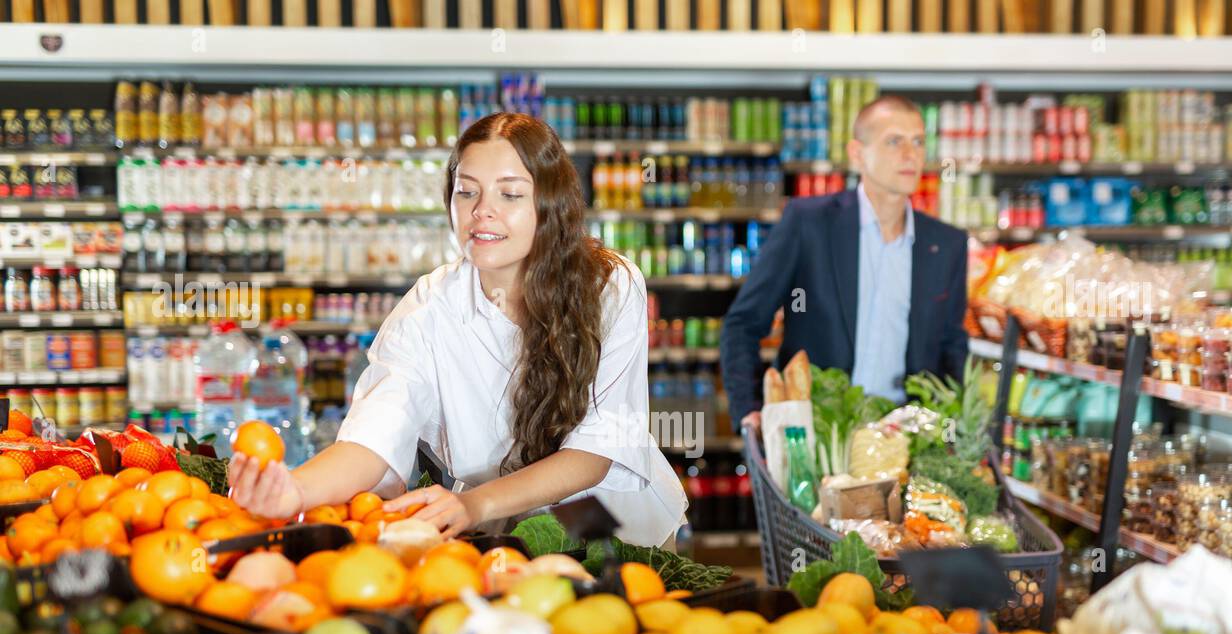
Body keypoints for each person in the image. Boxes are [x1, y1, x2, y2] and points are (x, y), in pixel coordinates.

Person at [226, 112, 687, 549]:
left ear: (549, 205)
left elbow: (595, 451)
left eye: (509, 194)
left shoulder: (609, 285)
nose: (482, 211)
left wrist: (474, 503)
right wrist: (295, 491)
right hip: (506, 533)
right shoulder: (431, 307)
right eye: (467, 192)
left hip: (618, 526)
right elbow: (376, 433)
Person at [721, 94, 969, 433]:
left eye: (918, 141)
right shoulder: (808, 224)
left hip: (905, 443)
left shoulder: (947, 244)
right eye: (894, 141)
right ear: (857, 154)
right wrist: (748, 409)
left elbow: (951, 346)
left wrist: (949, 427)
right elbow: (744, 323)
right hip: (816, 434)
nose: (910, 155)